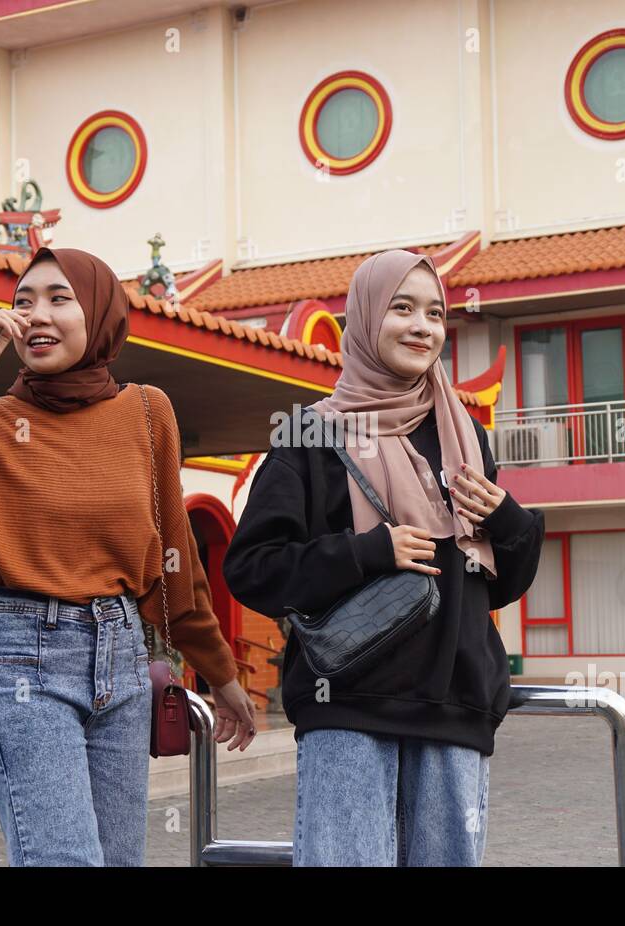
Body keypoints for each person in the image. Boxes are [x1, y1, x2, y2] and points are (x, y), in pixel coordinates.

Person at [0, 246, 256, 866]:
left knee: (120, 860)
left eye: (59, 298)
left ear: (99, 313)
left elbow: (175, 561)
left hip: (124, 656)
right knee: (64, 859)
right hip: (23, 655)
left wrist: (221, 673)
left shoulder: (148, 413)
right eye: (23, 302)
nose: (36, 315)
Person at [224, 248, 545, 866]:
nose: (422, 327)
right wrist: (369, 552)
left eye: (434, 312)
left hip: (454, 705)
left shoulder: (465, 437)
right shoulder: (311, 433)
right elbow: (252, 566)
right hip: (347, 707)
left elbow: (496, 587)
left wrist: (506, 518)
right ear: (366, 318)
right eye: (402, 308)